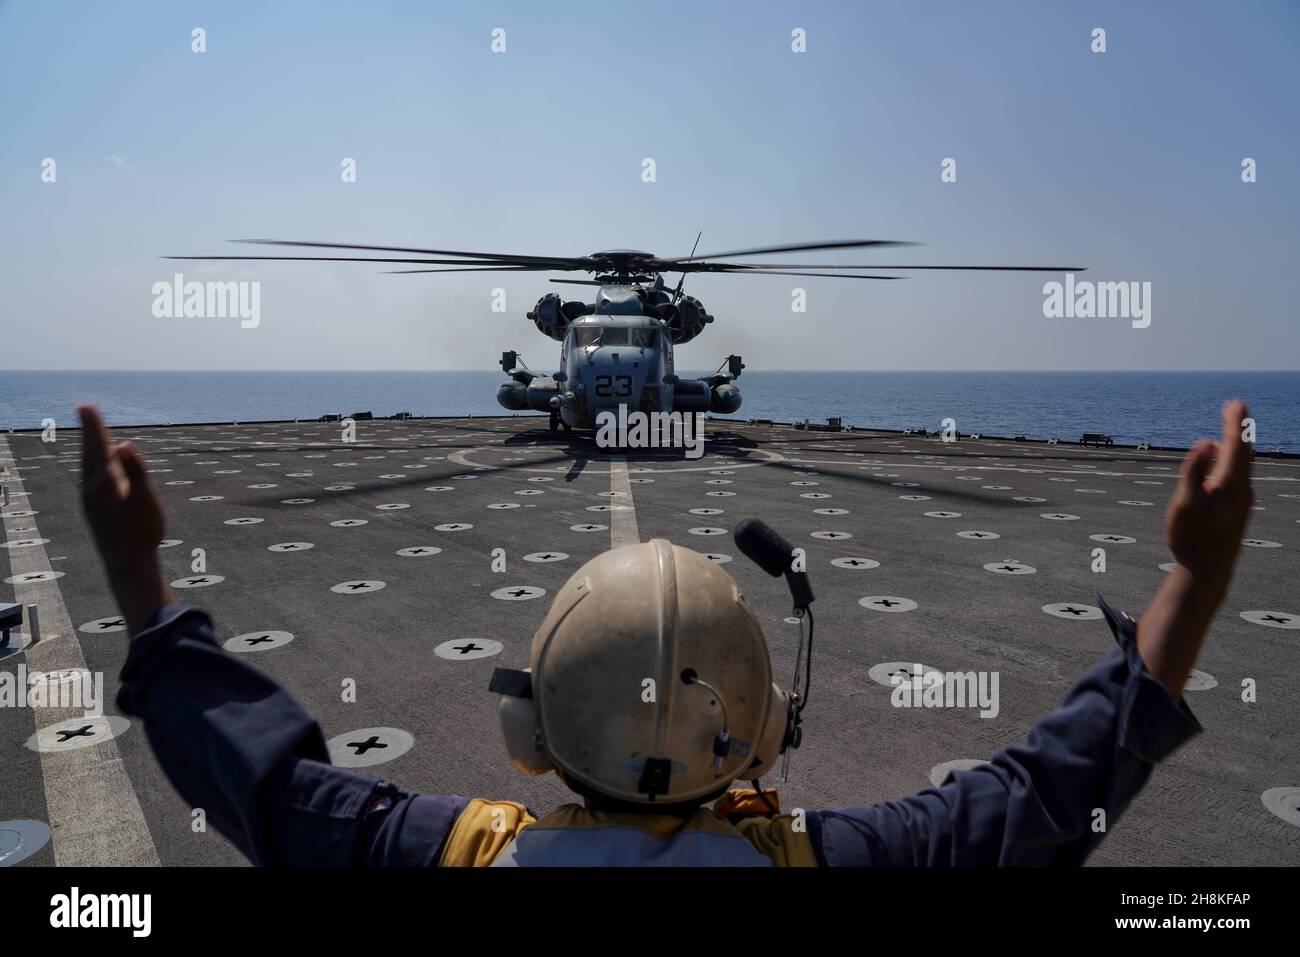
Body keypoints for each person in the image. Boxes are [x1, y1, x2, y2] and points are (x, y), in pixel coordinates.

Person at [76, 401, 1254, 866]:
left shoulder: (462, 856)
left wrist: (140, 583)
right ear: (768, 728)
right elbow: (1044, 796)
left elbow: (271, 791)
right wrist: (1193, 578)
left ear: (526, 728)